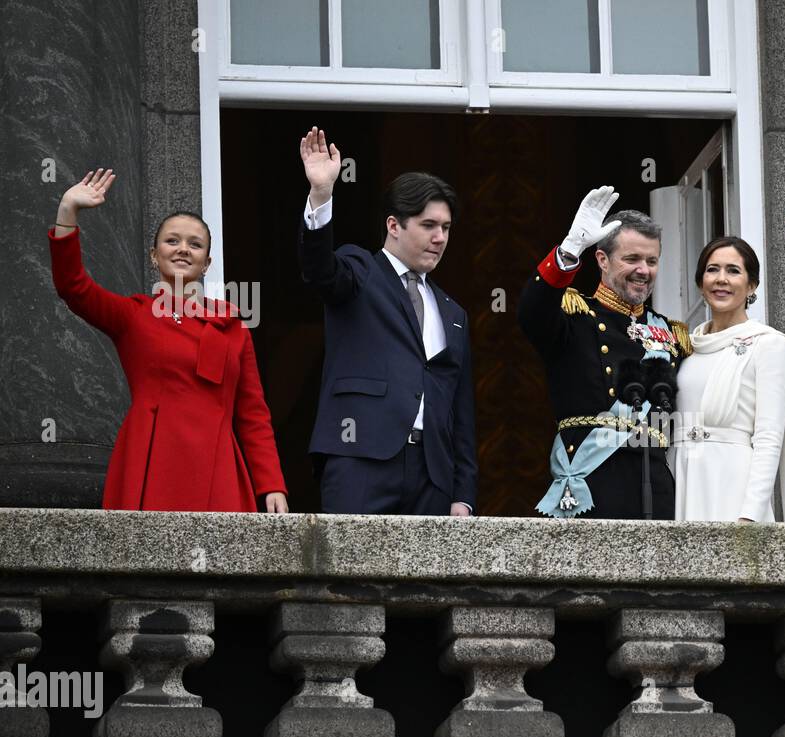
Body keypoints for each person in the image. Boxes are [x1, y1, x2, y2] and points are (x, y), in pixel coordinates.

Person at [48, 168, 287, 513]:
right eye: (172, 241)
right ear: (154, 255)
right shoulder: (134, 315)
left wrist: (271, 485)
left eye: (195, 244)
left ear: (207, 263)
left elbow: (252, 415)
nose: (183, 249)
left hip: (218, 467)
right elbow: (73, 286)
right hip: (151, 460)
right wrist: (68, 210)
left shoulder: (233, 327)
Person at [299, 127, 477, 516]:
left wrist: (463, 492)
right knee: (351, 576)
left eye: (446, 228)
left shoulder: (453, 312)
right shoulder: (360, 271)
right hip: (360, 458)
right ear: (394, 225)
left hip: (433, 475)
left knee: (426, 580)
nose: (440, 238)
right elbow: (318, 271)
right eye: (428, 226)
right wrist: (321, 195)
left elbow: (460, 411)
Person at [519, 186, 691, 519]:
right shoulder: (575, 314)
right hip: (592, 483)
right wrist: (569, 251)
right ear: (602, 259)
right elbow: (531, 312)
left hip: (654, 488)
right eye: (632, 259)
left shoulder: (671, 333)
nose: (644, 269)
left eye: (651, 261)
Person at [672, 237, 785, 523]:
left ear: (751, 285)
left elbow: (769, 437)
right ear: (700, 283)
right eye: (712, 270)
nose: (721, 279)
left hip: (732, 486)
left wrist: (749, 514)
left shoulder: (769, 344)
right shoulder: (686, 346)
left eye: (733, 271)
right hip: (680, 479)